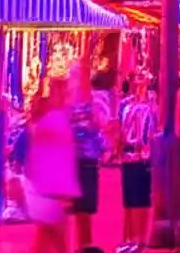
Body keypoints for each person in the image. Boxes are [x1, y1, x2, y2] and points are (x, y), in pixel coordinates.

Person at [25, 78, 79, 253]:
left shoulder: (57, 117)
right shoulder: (51, 120)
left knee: (49, 234)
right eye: (58, 90)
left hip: (52, 186)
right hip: (50, 186)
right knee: (55, 234)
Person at [69, 65, 107, 253]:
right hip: (72, 160)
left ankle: (84, 246)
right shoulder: (70, 101)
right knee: (77, 208)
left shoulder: (97, 99)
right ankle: (81, 246)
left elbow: (103, 125)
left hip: (88, 159)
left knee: (85, 208)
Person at [119, 75, 157, 252]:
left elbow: (152, 132)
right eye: (137, 82)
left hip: (143, 157)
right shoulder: (125, 105)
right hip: (129, 156)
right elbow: (119, 130)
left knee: (140, 199)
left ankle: (139, 239)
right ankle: (130, 238)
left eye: (143, 83)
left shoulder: (151, 107)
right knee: (130, 200)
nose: (140, 86)